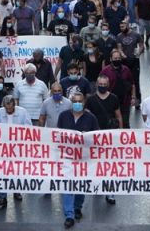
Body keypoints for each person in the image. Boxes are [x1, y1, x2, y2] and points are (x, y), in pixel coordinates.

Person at [58, 92, 99, 228]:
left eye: (79, 101)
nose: (77, 104)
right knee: (68, 185)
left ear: (84, 102)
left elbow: (96, 138)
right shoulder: (63, 116)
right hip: (67, 158)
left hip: (84, 159)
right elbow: (57, 135)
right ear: (71, 102)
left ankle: (77, 207)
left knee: (80, 184)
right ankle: (69, 215)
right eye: (75, 101)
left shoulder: (91, 118)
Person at [0, 95, 31, 208]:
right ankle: (2, 196)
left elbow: (29, 128)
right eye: (6, 108)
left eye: (10, 108)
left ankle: (17, 191)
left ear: (14, 105)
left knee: (17, 170)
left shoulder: (23, 112)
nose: (8, 110)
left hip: (17, 147)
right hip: (2, 148)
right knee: (2, 172)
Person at [99, 51, 136, 131]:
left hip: (125, 101)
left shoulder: (126, 70)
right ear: (111, 59)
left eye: (119, 58)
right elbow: (99, 84)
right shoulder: (105, 71)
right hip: (111, 102)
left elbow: (132, 84)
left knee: (125, 123)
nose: (117, 60)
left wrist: (133, 97)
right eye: (115, 58)